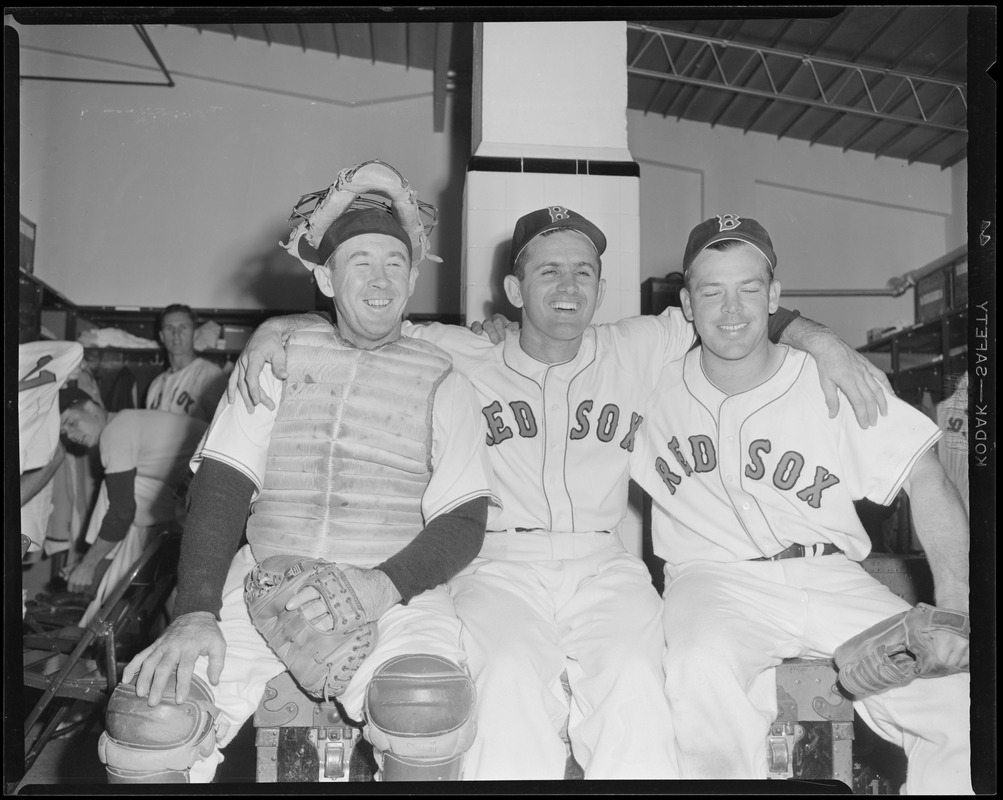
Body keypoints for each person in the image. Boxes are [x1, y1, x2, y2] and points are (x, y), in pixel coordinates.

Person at [232, 205, 892, 780]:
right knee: (509, 677)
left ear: (601, 287)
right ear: (515, 289)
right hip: (495, 562)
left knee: (636, 678)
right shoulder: (458, 350)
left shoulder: (639, 344)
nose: (568, 285)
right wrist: (279, 329)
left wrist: (821, 340)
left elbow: (735, 309)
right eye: (548, 271)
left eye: (583, 271)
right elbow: (362, 319)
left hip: (600, 562)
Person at [100, 189, 500, 783]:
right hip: (265, 571)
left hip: (392, 586)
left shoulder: (447, 381)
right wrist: (194, 613)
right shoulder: (275, 359)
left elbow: (465, 519)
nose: (380, 279)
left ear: (413, 277)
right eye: (360, 262)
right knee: (150, 723)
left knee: (425, 705)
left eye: (395, 263)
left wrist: (380, 587)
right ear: (328, 277)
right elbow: (221, 487)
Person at [628, 215, 971, 792]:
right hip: (714, 579)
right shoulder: (645, 381)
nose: (731, 309)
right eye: (712, 292)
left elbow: (926, 475)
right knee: (699, 674)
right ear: (686, 304)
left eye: (749, 290)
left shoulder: (829, 378)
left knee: (956, 700)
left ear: (775, 298)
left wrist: (957, 604)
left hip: (830, 574)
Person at [57, 387, 209, 624]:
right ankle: (96, 570)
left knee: (117, 498)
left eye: (70, 422)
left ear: (89, 406)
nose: (70, 434)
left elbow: (122, 512)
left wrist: (88, 564)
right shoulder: (126, 420)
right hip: (198, 487)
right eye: (64, 432)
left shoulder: (114, 431)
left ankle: (93, 572)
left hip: (214, 489)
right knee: (121, 491)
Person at [146, 304, 227, 422]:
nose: (176, 334)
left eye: (183, 327)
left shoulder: (211, 376)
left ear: (195, 334)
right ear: (162, 336)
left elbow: (223, 428)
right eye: (169, 328)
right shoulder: (155, 385)